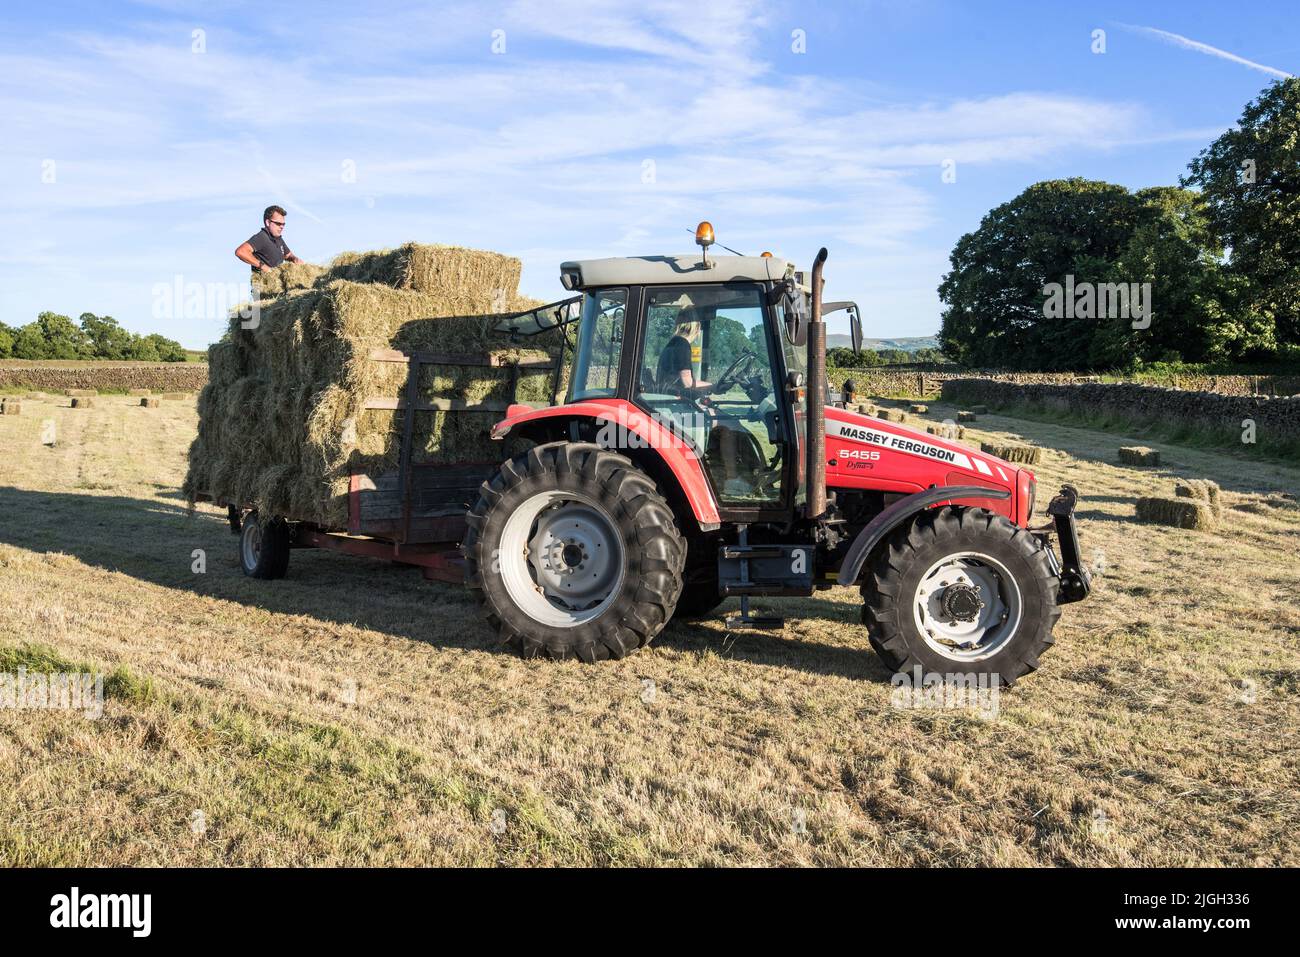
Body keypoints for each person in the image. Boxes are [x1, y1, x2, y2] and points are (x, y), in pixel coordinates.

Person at [235, 205, 301, 273]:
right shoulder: (262, 237)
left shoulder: (278, 238)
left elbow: (288, 255)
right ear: (268, 222)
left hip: (277, 281)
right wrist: (263, 266)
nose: (281, 227)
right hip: (265, 282)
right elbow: (241, 252)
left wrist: (294, 258)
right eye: (278, 223)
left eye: (283, 224)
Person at [656, 318, 711, 395]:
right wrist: (713, 387)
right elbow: (687, 383)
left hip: (667, 396)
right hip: (675, 401)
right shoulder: (682, 344)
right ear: (696, 327)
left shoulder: (673, 342)